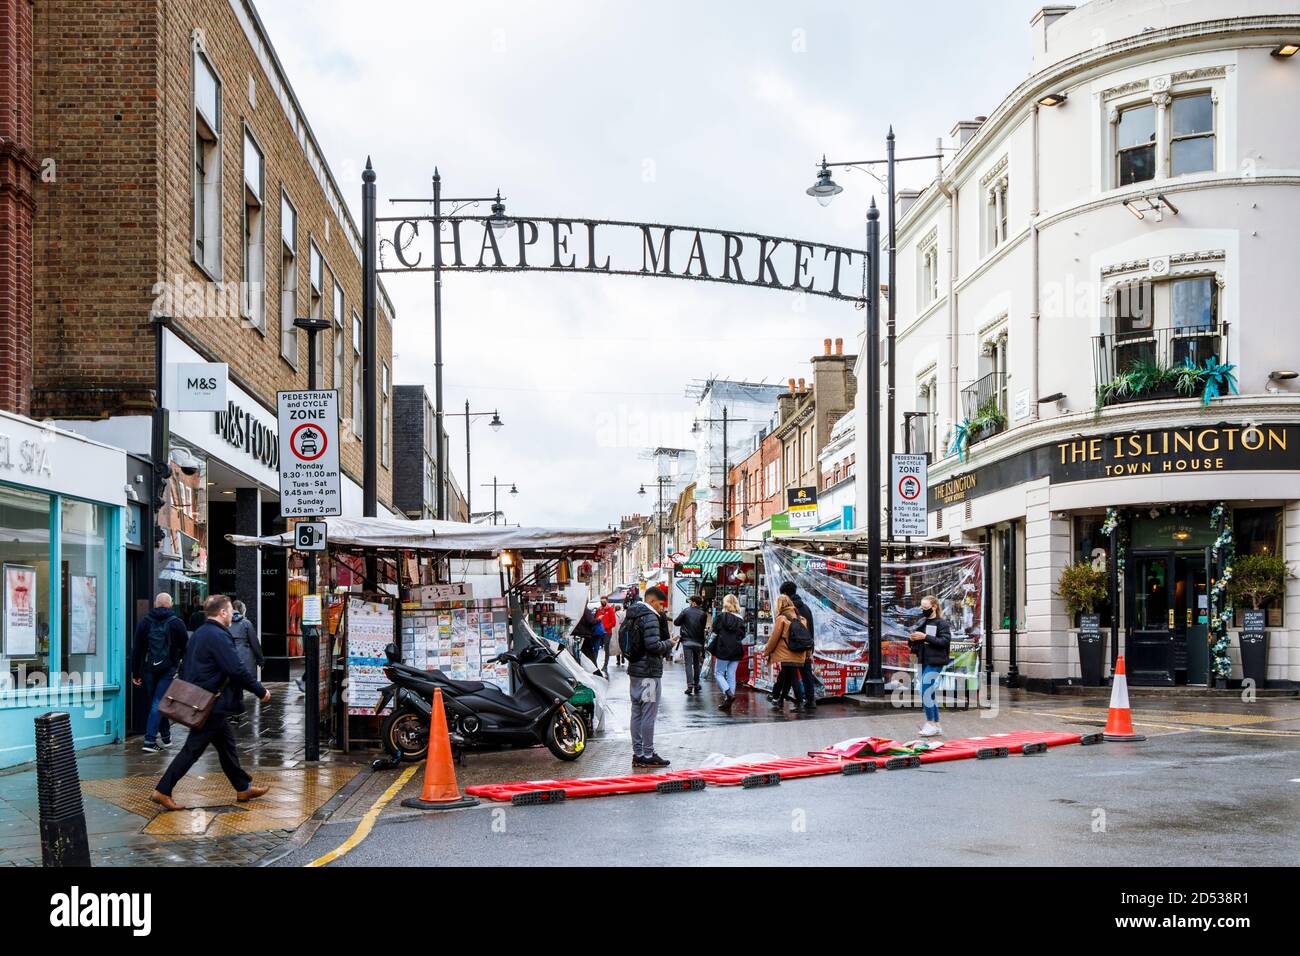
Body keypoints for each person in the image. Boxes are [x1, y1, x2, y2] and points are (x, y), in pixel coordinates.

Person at [150, 594, 271, 811]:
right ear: (222, 612)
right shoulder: (217, 635)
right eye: (230, 612)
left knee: (227, 748)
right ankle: (163, 790)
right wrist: (260, 691)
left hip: (206, 702)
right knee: (192, 750)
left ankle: (243, 787)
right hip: (210, 703)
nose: (232, 616)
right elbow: (236, 668)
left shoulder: (200, 633)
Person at [130, 593, 189, 753]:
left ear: (155, 604)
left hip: (148, 669)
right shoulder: (177, 623)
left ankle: (166, 737)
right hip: (168, 669)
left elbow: (137, 650)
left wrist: (135, 673)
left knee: (157, 702)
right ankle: (149, 741)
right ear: (170, 605)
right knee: (159, 702)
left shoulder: (144, 622)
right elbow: (186, 649)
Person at [623, 585, 674, 768]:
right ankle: (648, 753)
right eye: (660, 604)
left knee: (636, 712)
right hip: (648, 674)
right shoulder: (650, 616)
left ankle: (637, 753)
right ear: (652, 601)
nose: (662, 608)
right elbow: (653, 645)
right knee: (648, 714)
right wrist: (669, 643)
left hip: (635, 671)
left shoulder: (632, 614)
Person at [908, 594, 952, 737]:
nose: (923, 610)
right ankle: (937, 725)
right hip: (923, 660)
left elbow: (944, 642)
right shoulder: (922, 622)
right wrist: (912, 639)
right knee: (929, 692)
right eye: (922, 607)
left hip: (936, 661)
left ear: (934, 607)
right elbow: (915, 642)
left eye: (925, 607)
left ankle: (930, 723)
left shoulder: (942, 624)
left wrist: (925, 637)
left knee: (925, 690)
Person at [765, 594, 810, 711]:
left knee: (792, 677)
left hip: (786, 653)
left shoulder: (781, 619)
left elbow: (774, 638)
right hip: (799, 653)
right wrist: (808, 655)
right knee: (786, 676)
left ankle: (799, 702)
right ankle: (778, 698)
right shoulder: (801, 619)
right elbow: (807, 638)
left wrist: (767, 651)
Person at [780, 581, 818, 710]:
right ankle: (811, 700)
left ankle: (799, 700)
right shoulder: (806, 607)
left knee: (793, 674)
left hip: (794, 646)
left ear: (785, 594)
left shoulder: (789, 610)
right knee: (806, 673)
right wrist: (811, 646)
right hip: (807, 644)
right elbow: (811, 628)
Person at [709, 593, 746, 712]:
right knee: (731, 674)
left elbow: (714, 630)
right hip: (736, 648)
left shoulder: (721, 616)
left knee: (719, 673)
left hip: (723, 648)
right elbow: (742, 635)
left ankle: (728, 694)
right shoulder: (740, 619)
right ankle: (729, 700)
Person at [228, 600, 265, 697]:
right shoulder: (246, 623)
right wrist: (260, 660)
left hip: (229, 657)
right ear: (243, 611)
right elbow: (255, 643)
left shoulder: (225, 623)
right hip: (245, 658)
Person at [673, 594, 708, 695]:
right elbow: (702, 628)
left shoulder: (686, 611)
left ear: (693, 602)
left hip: (687, 641)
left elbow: (676, 622)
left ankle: (689, 685)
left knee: (688, 664)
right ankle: (696, 684)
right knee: (697, 664)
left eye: (690, 601)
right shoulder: (703, 614)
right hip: (698, 642)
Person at [595, 597, 618, 673]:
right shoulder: (598, 610)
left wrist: (605, 627)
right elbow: (595, 620)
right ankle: (595, 665)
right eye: (601, 601)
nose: (603, 602)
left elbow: (613, 622)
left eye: (604, 601)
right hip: (599, 632)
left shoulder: (610, 610)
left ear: (607, 601)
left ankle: (605, 665)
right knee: (596, 648)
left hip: (607, 632)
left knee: (606, 649)